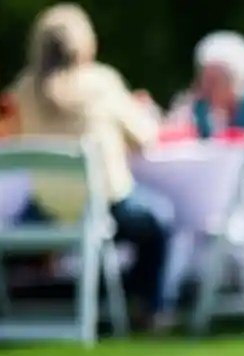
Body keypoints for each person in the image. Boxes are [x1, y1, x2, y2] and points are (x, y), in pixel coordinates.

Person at [9, 3, 171, 330]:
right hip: (105, 207)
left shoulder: (23, 89)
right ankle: (148, 308)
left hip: (46, 211)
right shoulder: (101, 82)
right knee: (160, 219)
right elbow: (145, 137)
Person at [172, 31, 244, 138]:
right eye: (206, 79)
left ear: (237, 79)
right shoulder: (200, 107)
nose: (207, 87)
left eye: (216, 81)